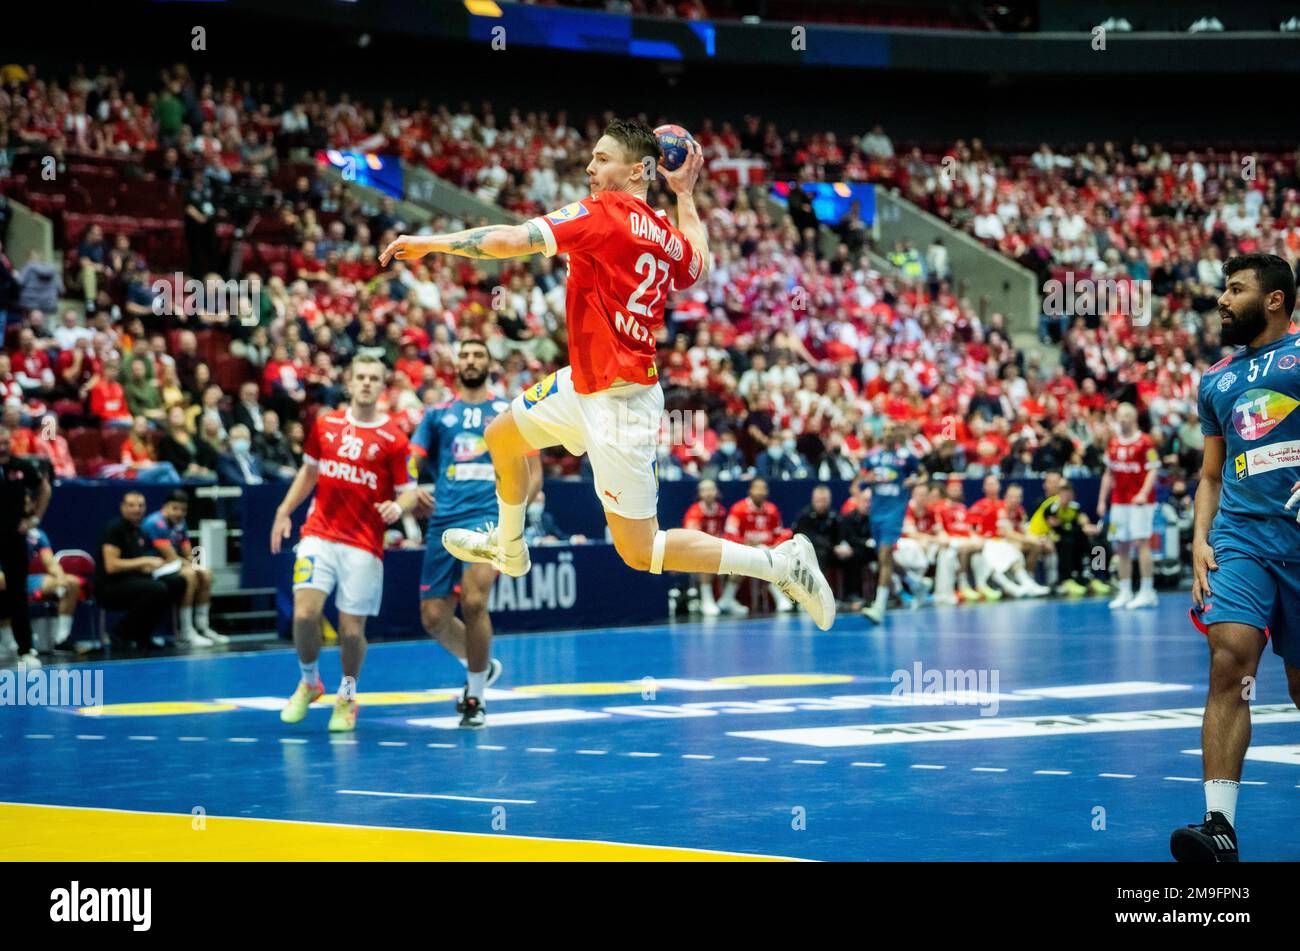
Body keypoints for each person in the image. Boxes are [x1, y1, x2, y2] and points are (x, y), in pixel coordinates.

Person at [381, 118, 835, 631]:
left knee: (641, 552)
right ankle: (508, 548)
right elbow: (698, 265)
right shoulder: (663, 231)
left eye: (602, 159)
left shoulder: (604, 213)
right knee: (501, 437)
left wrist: (429, 242)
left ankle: (781, 563)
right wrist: (686, 194)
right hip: (585, 382)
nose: (590, 168)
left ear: (639, 169)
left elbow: (510, 240)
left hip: (621, 406)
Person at [1178, 253, 1300, 862]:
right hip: (1241, 539)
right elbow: (1210, 474)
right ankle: (1218, 827)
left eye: (1235, 289)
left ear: (1274, 299)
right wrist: (1201, 539)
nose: (1222, 299)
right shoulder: (1215, 379)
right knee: (1230, 661)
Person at [270, 355, 426, 733]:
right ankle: (310, 682)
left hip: (363, 543)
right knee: (305, 614)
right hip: (318, 534)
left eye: (374, 378)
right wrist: (284, 511)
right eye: (361, 377)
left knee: (351, 630)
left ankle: (348, 695)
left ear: (382, 386)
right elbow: (309, 472)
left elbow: (410, 493)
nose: (367, 383)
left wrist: (396, 505)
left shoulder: (395, 438)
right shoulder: (325, 424)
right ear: (349, 382)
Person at [409, 339, 531, 727]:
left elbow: (533, 466)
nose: (471, 360)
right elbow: (412, 461)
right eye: (465, 355)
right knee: (433, 617)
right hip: (444, 519)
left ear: (489, 363)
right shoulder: (438, 413)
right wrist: (412, 486)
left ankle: (475, 696)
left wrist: (518, 514)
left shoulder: (507, 411)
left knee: (475, 603)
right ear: (456, 363)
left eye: (479, 354)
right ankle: (481, 663)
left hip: (488, 515)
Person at [95, 491, 187, 650]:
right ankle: (120, 631)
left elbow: (138, 564)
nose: (136, 509)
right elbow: (111, 566)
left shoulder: (139, 531)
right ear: (122, 507)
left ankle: (143, 634)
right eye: (131, 505)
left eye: (140, 505)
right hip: (110, 586)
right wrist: (143, 561)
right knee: (157, 589)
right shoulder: (115, 529)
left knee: (177, 583)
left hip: (134, 581)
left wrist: (151, 566)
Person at [143, 490, 227, 647]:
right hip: (154, 567)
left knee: (205, 574)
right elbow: (170, 556)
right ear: (165, 507)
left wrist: (198, 567)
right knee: (190, 575)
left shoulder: (181, 523)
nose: (179, 513)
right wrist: (192, 567)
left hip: (174, 565)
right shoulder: (155, 523)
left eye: (183, 510)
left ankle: (203, 626)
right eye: (175, 508)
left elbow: (187, 551)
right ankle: (186, 632)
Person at [859, 423, 922, 623]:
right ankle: (917, 582)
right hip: (876, 511)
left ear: (895, 435)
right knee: (884, 558)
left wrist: (915, 481)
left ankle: (879, 607)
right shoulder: (872, 457)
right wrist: (864, 483)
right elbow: (860, 482)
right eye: (883, 430)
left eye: (889, 431)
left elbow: (923, 474)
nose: (886, 434)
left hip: (895, 511)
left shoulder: (906, 456)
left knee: (885, 553)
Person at [1099, 402, 1159, 609]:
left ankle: (1147, 590)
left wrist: (1142, 493)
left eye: (1125, 415)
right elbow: (1108, 473)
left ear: (1133, 418)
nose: (1122, 419)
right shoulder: (1113, 443)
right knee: (1120, 544)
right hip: (1118, 504)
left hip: (1140, 504)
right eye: (1119, 416)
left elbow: (1153, 469)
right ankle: (1125, 591)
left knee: (1141, 543)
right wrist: (1101, 500)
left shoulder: (1146, 442)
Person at [0, 427, 51, 668]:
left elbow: (44, 489)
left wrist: (34, 519)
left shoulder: (21, 466)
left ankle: (26, 649)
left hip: (13, 537)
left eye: (6, 442)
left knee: (18, 592)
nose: (3, 447)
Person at [722, 478, 792, 613]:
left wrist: (776, 544)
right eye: (757, 488)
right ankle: (727, 598)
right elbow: (729, 535)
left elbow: (779, 533)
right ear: (750, 491)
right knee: (744, 561)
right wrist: (747, 544)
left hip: (769, 551)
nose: (760, 492)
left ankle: (781, 597)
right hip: (744, 550)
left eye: (763, 489)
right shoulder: (739, 509)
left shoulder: (772, 509)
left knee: (779, 555)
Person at [17, 523, 82, 653]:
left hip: (29, 579)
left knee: (71, 583)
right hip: (5, 577)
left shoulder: (37, 535)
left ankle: (61, 640)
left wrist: (60, 577)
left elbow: (50, 562)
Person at [681, 479, 727, 616]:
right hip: (695, 551)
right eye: (705, 490)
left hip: (717, 548)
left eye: (711, 489)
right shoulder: (695, 511)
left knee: (739, 557)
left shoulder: (721, 510)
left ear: (717, 492)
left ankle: (727, 599)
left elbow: (727, 533)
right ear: (700, 493)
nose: (708, 493)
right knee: (706, 558)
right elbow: (691, 537)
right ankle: (707, 600)